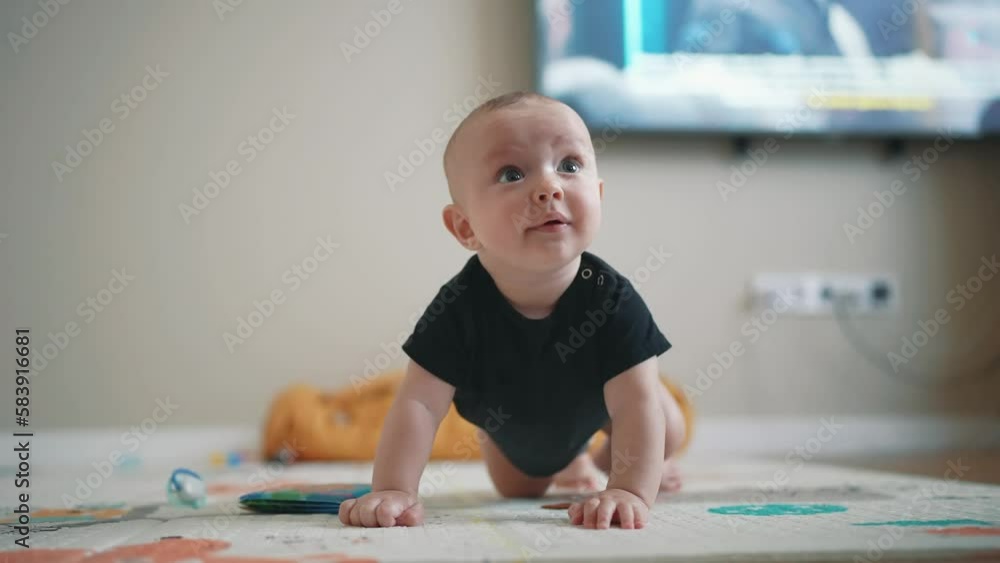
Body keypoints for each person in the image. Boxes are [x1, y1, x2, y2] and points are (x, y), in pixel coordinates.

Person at [338, 91, 686, 530]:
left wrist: (628, 488)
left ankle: (599, 455)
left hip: (606, 407)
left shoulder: (610, 297)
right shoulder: (457, 308)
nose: (549, 187)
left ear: (597, 195)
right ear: (464, 227)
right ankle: (564, 458)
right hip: (514, 428)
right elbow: (419, 405)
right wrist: (394, 488)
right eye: (511, 173)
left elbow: (634, 405)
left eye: (569, 166)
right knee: (517, 490)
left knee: (663, 423)